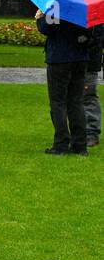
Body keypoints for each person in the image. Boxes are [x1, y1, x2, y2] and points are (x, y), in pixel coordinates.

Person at [35, 8, 91, 155]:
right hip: (80, 57)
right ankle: (80, 145)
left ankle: (61, 144)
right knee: (76, 102)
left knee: (58, 102)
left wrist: (40, 18)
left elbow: (47, 28)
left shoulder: (55, 3)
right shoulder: (84, 4)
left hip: (60, 57)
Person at [86, 23, 103, 148]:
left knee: (88, 96)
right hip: (80, 59)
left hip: (89, 61)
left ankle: (91, 132)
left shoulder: (97, 18)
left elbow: (98, 38)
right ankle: (85, 131)